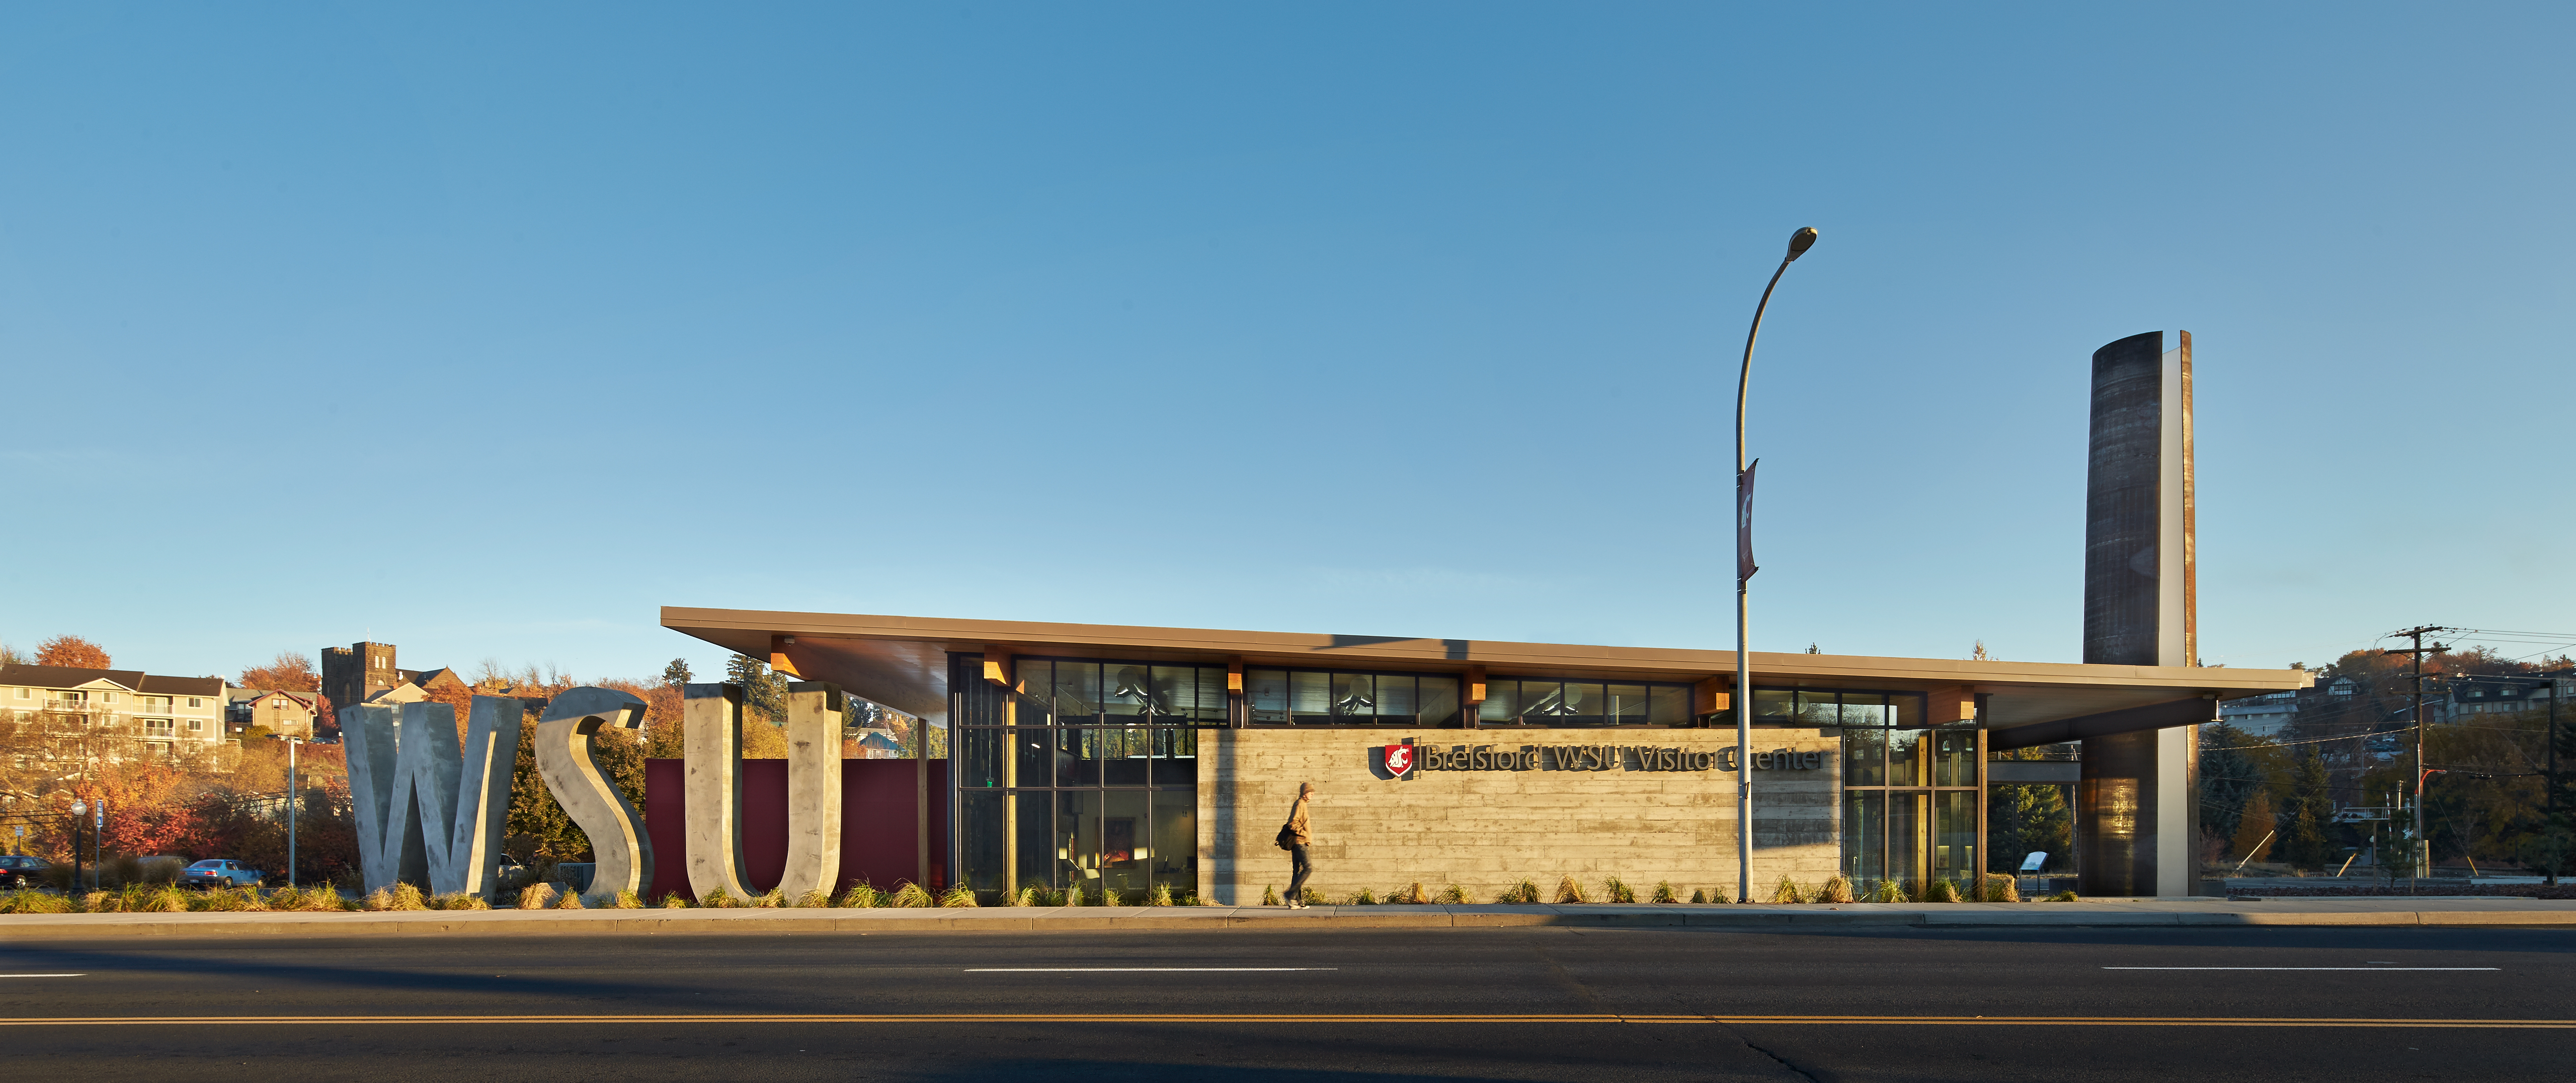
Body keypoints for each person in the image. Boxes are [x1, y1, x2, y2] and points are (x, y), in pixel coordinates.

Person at [1284, 782, 1314, 908]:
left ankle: (1296, 902)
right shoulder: (1300, 804)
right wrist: (1304, 834)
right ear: (1304, 793)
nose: (1312, 794)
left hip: (1299, 842)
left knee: (1297, 872)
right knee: (1308, 868)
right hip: (1300, 842)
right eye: (1310, 792)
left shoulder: (1302, 804)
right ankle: (1290, 895)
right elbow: (1293, 823)